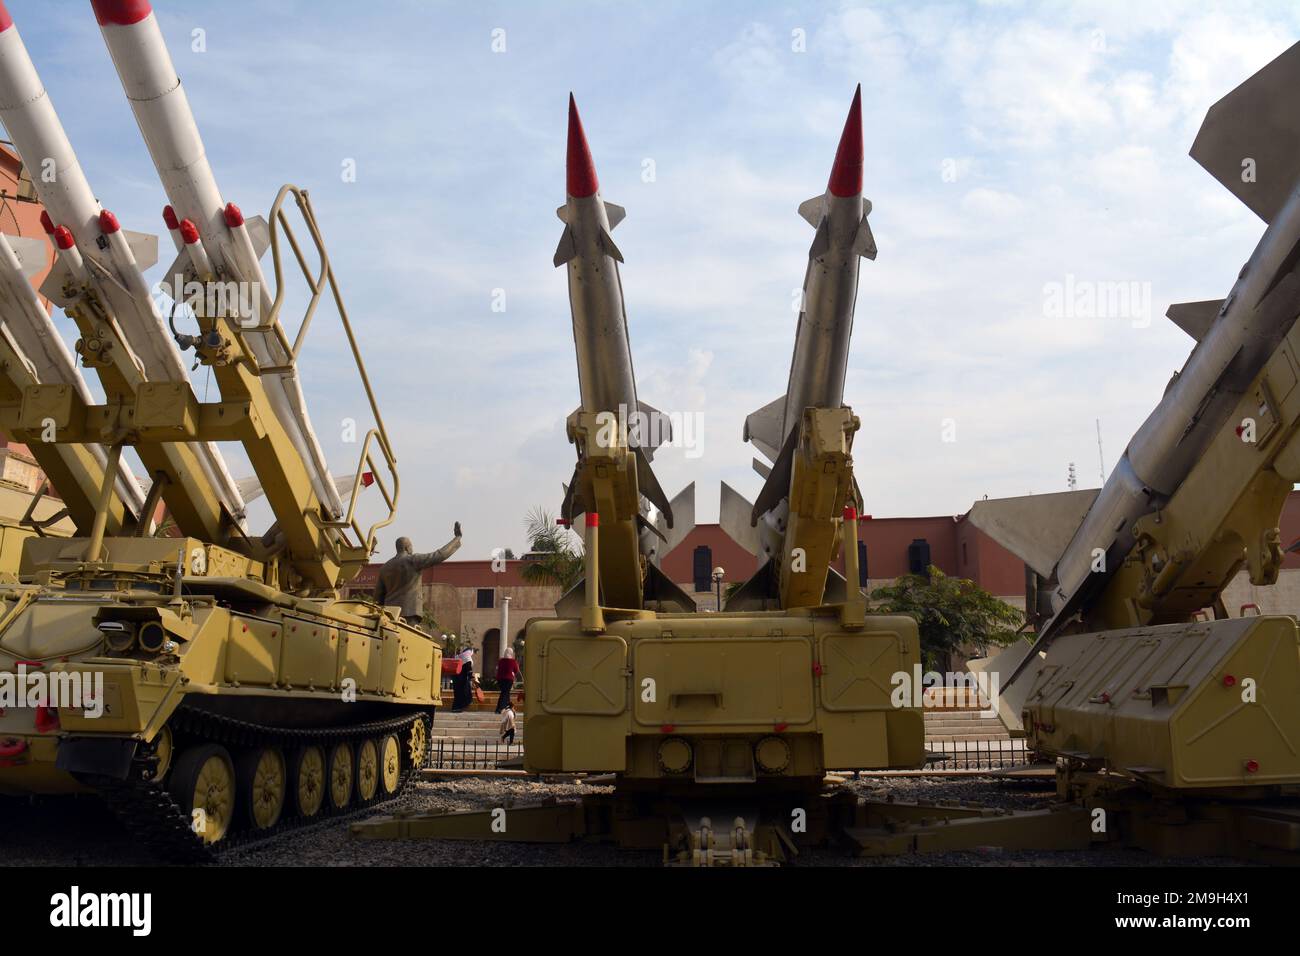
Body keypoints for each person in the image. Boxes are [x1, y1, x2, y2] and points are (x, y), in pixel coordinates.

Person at [373, 525, 463, 626]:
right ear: (407, 548)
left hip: (389, 615)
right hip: (409, 613)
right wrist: (457, 538)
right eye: (411, 546)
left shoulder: (384, 568)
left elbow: (377, 598)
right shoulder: (412, 560)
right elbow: (439, 555)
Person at [495, 647, 520, 713]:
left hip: (500, 679)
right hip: (508, 680)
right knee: (505, 693)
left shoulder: (501, 661)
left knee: (505, 693)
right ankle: (499, 709)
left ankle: (507, 708)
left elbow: (498, 669)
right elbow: (516, 670)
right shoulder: (513, 661)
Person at [452, 645, 475, 712]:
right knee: (464, 693)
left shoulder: (459, 656)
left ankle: (455, 708)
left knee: (457, 694)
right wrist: (472, 678)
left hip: (455, 678)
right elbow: (469, 670)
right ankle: (459, 707)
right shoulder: (467, 658)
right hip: (462, 679)